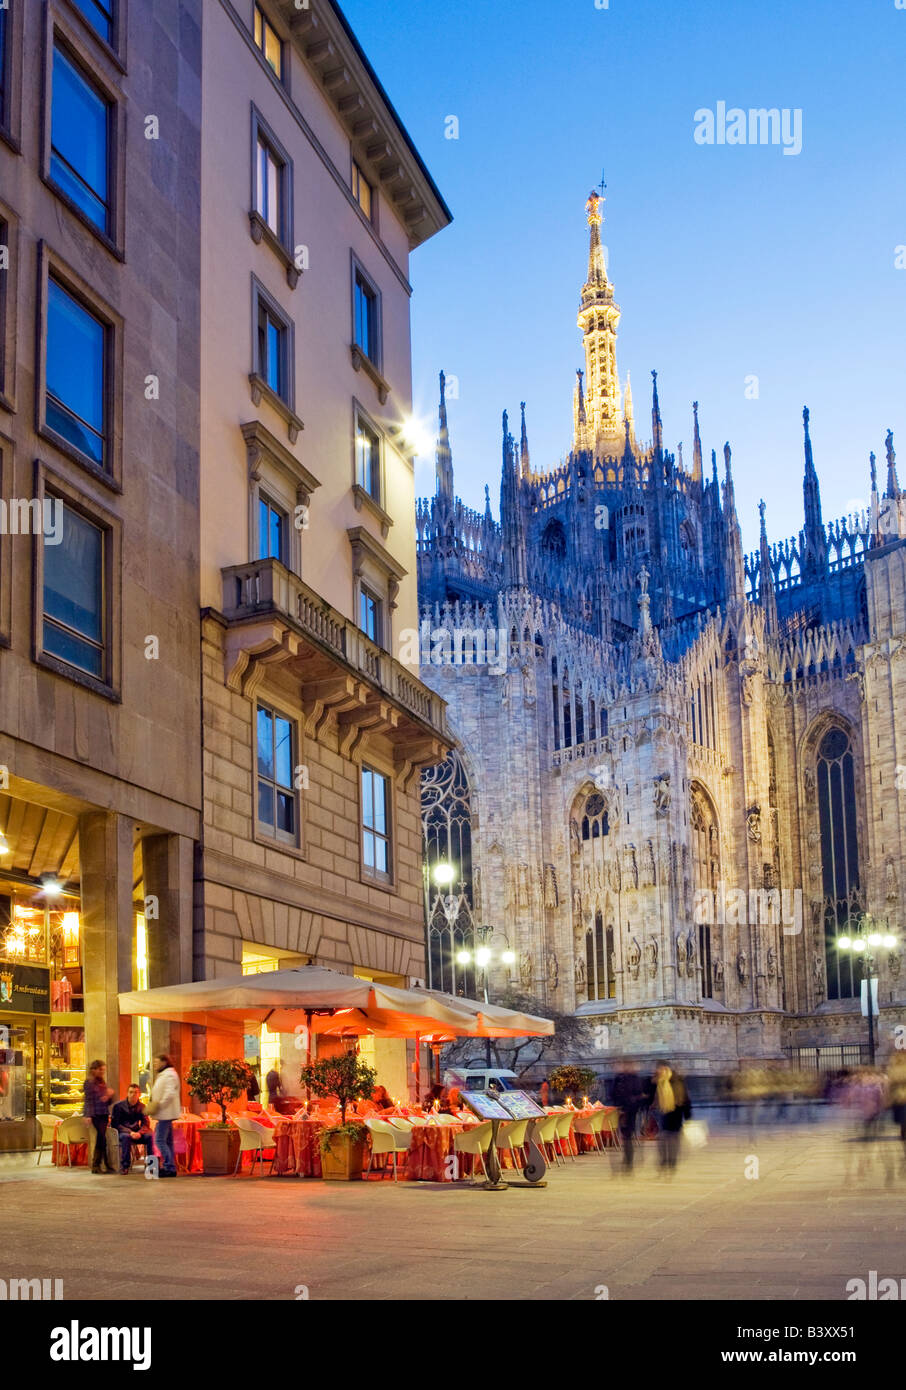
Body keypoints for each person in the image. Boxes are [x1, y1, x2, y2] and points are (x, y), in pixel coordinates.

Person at [651, 1062, 691, 1171]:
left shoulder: (677, 1081)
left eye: (659, 1069)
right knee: (663, 1138)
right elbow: (652, 1097)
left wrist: (687, 1116)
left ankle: (672, 1161)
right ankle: (664, 1160)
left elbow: (685, 1098)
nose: (657, 1071)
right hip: (664, 1114)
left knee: (673, 1138)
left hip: (675, 1114)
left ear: (665, 1068)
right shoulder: (658, 1081)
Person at [147, 1054, 180, 1177]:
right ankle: (170, 1167)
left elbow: (169, 1093)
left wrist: (159, 1105)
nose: (155, 1065)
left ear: (164, 1062)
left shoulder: (169, 1075)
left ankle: (169, 1166)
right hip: (164, 1112)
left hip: (165, 1113)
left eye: (157, 1062)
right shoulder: (165, 1074)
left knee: (159, 1140)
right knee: (168, 1141)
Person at [112, 1084, 154, 1174]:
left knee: (151, 1136)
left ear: (139, 1094)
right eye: (131, 1092)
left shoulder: (142, 1106)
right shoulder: (119, 1106)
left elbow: (146, 1123)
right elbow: (115, 1124)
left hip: (137, 1132)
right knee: (126, 1137)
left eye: (136, 1092)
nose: (133, 1095)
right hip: (124, 1131)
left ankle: (151, 1166)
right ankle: (125, 1166)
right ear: (127, 1093)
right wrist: (130, 1132)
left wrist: (140, 1133)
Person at [83, 1059, 115, 1173]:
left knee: (103, 1139)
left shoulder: (102, 1081)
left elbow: (106, 1100)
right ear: (94, 1070)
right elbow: (88, 1100)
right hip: (95, 1114)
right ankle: (97, 1165)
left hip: (104, 1113)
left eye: (103, 1070)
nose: (102, 1072)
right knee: (101, 1138)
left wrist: (108, 1096)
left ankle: (104, 1165)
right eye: (101, 1070)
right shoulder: (89, 1082)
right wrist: (88, 1115)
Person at [611, 1061, 645, 1170]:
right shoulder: (619, 1078)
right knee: (626, 1135)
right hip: (623, 1110)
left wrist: (628, 1106)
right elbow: (613, 1093)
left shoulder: (631, 1079)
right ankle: (627, 1158)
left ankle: (629, 1159)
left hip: (629, 1110)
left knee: (628, 1135)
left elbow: (637, 1094)